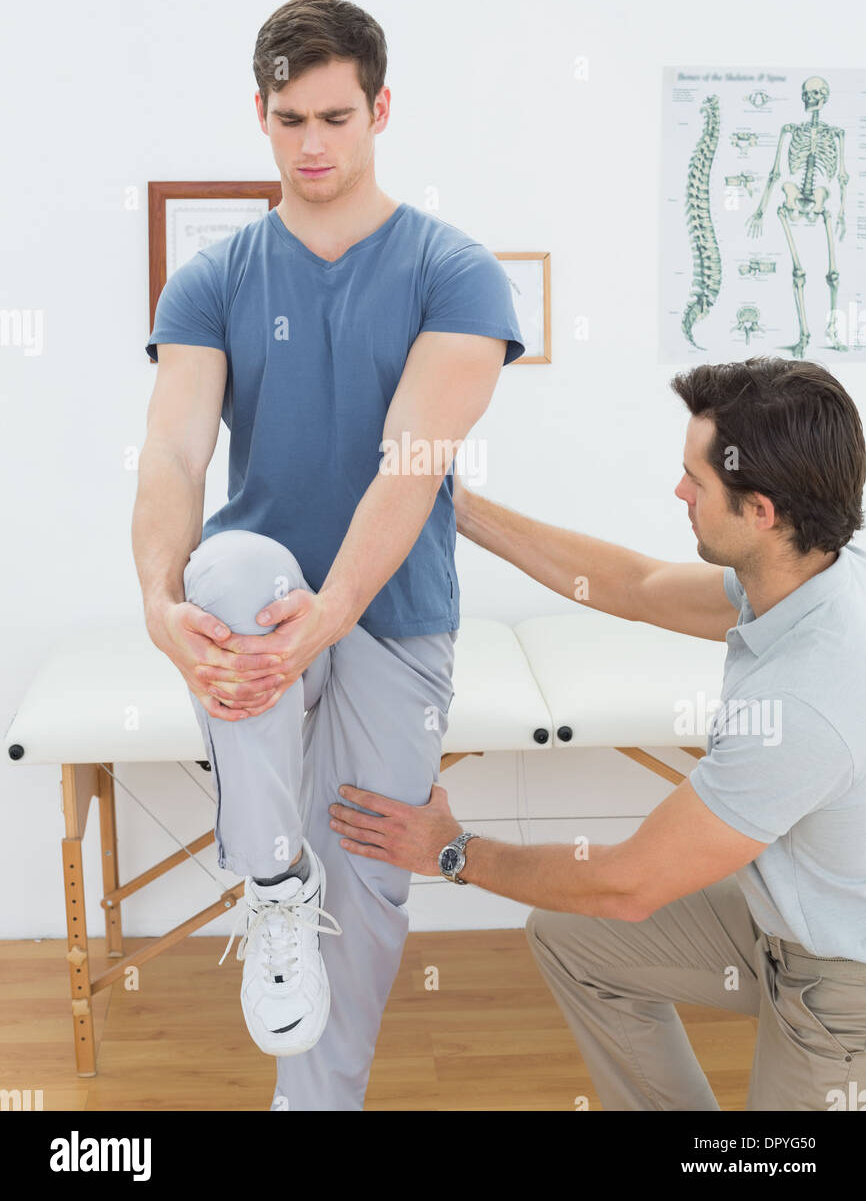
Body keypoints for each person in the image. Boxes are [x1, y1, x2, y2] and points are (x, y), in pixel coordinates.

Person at [132, 0, 525, 1110]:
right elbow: (173, 455)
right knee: (225, 568)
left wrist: (335, 609)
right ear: (259, 114)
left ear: (380, 110)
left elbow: (413, 459)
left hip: (393, 615)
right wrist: (159, 607)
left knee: (366, 880)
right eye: (289, 119)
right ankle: (269, 876)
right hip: (257, 607)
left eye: (335, 118)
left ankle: (315, 1105)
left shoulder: (454, 272)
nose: (312, 144)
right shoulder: (212, 280)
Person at [329, 357, 866, 1110]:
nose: (679, 492)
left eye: (696, 480)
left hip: (841, 990)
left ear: (761, 511)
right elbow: (635, 586)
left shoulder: (806, 701)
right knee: (574, 939)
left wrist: (450, 851)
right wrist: (454, 503)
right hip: (779, 921)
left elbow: (627, 885)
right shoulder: (811, 569)